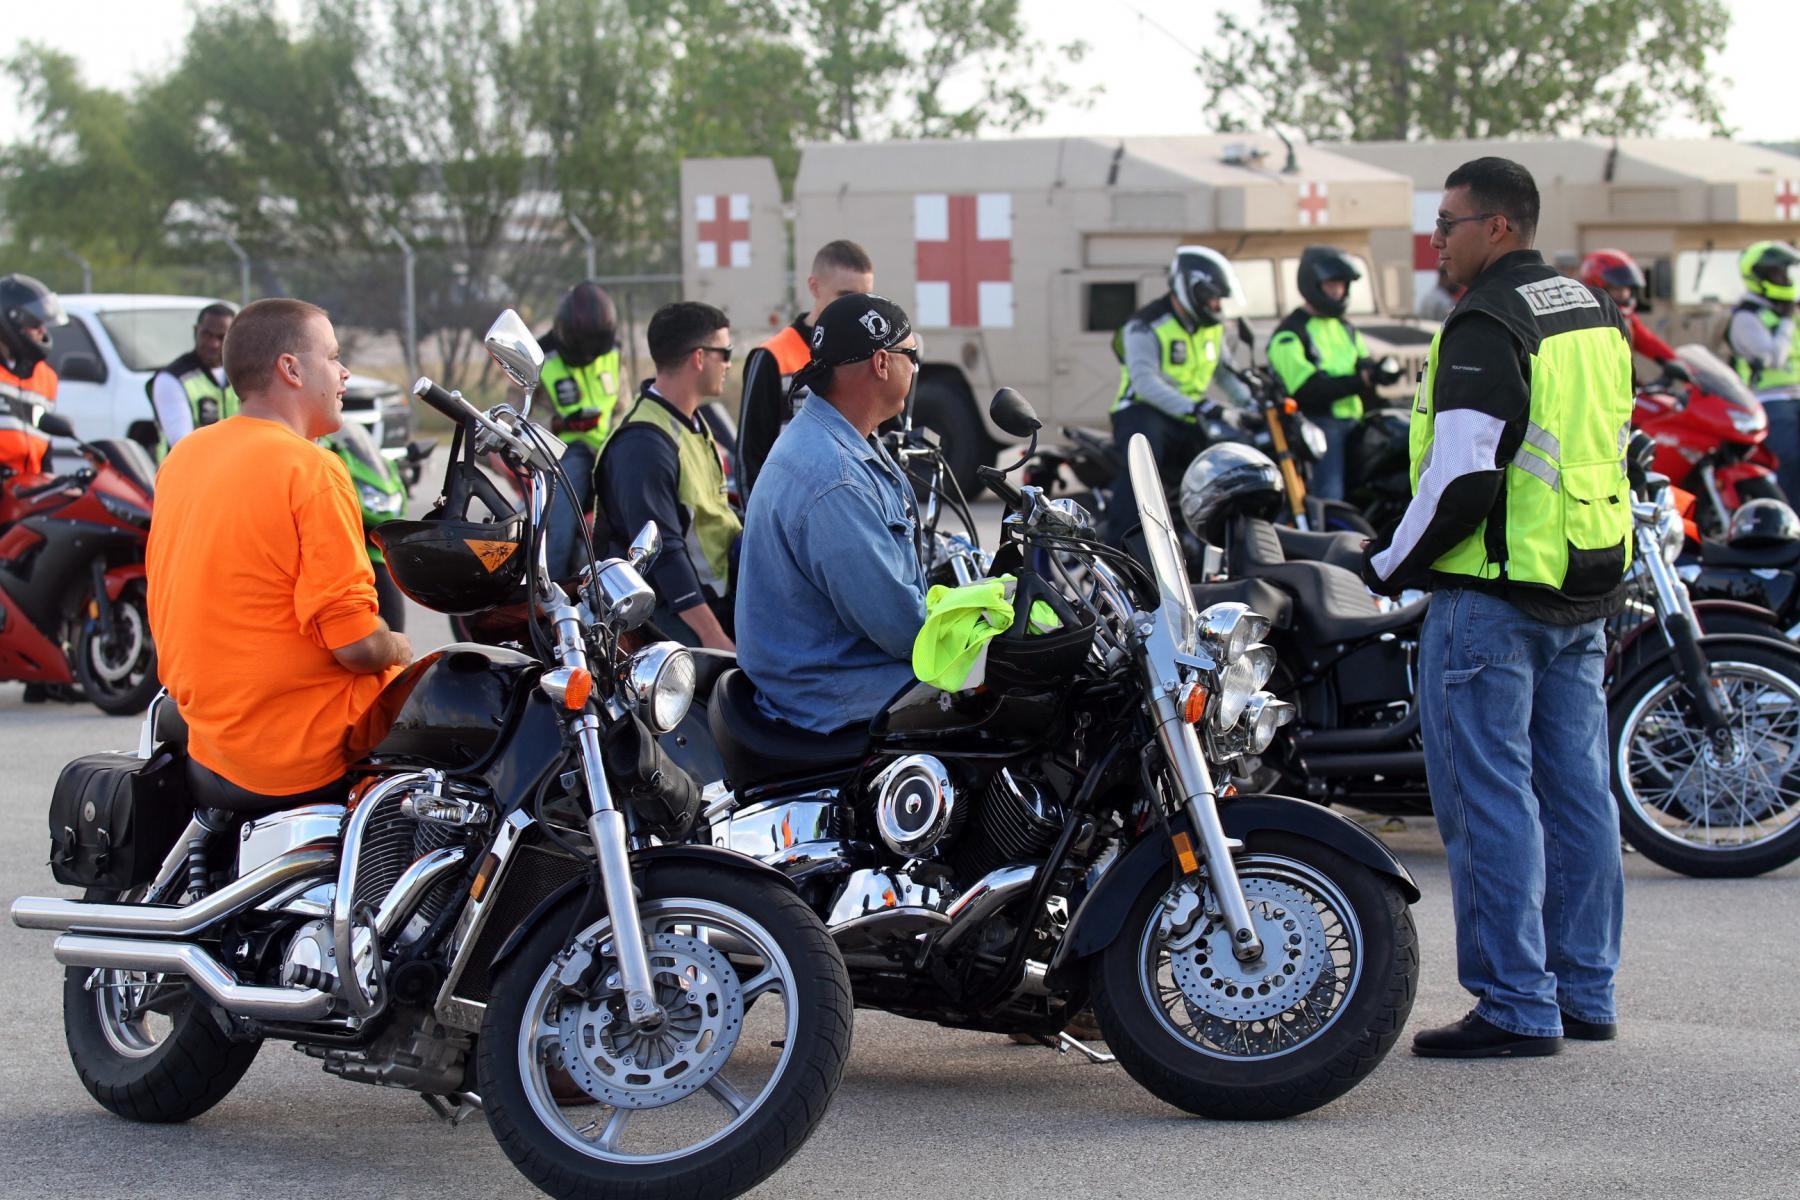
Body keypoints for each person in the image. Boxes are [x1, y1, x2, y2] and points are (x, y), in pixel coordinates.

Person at [1360, 157, 1632, 1058]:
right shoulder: (1590, 310)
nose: (1435, 240)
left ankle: (1518, 1005)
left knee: (1489, 800)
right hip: (1582, 587)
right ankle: (1583, 991)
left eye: (1447, 223)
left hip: (1491, 597)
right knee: (1578, 794)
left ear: (1498, 227)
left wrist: (1390, 564)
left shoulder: (1486, 319)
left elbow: (1466, 477)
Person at [147, 298, 410, 803]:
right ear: (290, 369)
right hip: (296, 748)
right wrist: (399, 645)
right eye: (332, 357)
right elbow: (356, 647)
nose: (344, 372)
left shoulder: (185, 457)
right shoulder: (311, 469)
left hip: (210, 735)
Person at [734, 293, 926, 733]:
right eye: (910, 354)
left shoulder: (836, 439)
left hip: (833, 676)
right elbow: (901, 628)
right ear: (881, 363)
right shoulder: (834, 479)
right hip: (836, 699)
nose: (915, 368)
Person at [596, 302, 740, 651]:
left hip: (714, 599)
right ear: (699, 357)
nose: (730, 363)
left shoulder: (687, 420)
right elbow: (664, 553)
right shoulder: (644, 443)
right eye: (726, 353)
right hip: (670, 617)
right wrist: (714, 638)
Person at [1103, 245, 1253, 544]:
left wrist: (1251, 405)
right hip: (1142, 411)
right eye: (1211, 297)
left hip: (1188, 414)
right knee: (1142, 471)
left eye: (1219, 299)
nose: (1216, 305)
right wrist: (1199, 406)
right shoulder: (1145, 326)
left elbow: (1226, 374)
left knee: (1223, 466)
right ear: (1190, 289)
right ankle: (1119, 547)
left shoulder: (1211, 328)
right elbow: (1145, 382)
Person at [737, 239, 875, 502]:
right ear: (814, 286)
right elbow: (749, 456)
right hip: (790, 509)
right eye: (845, 296)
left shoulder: (873, 355)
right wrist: (758, 526)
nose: (857, 308)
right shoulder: (772, 357)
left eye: (864, 298)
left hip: (855, 508)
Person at [1267, 246, 1396, 500]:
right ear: (1312, 284)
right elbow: (1307, 391)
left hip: (1356, 422)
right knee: (1331, 497)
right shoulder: (1289, 334)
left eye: (1342, 284)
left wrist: (1378, 372)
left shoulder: (1344, 326)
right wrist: (1361, 380)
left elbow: (1363, 362)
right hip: (1322, 428)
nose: (1338, 290)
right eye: (1331, 284)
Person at [539, 280, 624, 580]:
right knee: (559, 523)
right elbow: (520, 415)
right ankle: (548, 594)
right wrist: (561, 424)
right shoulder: (541, 359)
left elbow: (623, 405)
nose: (589, 353)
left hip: (610, 445)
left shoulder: (612, 354)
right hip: (565, 450)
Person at [1725, 241, 1800, 503]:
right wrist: (1787, 322)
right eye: (1778, 273)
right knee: (1791, 460)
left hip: (1796, 397)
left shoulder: (1787, 309)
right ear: (1760, 276)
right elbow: (1772, 359)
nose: (1785, 279)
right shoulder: (1747, 317)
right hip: (1770, 401)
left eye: (1785, 273)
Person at [1577, 249, 1692, 385]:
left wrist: (1679, 364)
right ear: (1597, 287)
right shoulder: (1585, 322)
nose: (1623, 295)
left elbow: (1649, 342)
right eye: (1617, 289)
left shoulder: (1626, 320)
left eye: (1626, 289)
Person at [147, 302, 237, 456]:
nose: (213, 344)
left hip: (231, 469)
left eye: (221, 337)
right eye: (207, 334)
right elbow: (182, 443)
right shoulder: (172, 378)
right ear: (196, 331)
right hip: (185, 473)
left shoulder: (242, 373)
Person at [0, 273, 66, 483]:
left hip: (28, 498)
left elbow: (44, 442)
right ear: (11, 321)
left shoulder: (46, 378)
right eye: (35, 323)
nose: (42, 331)